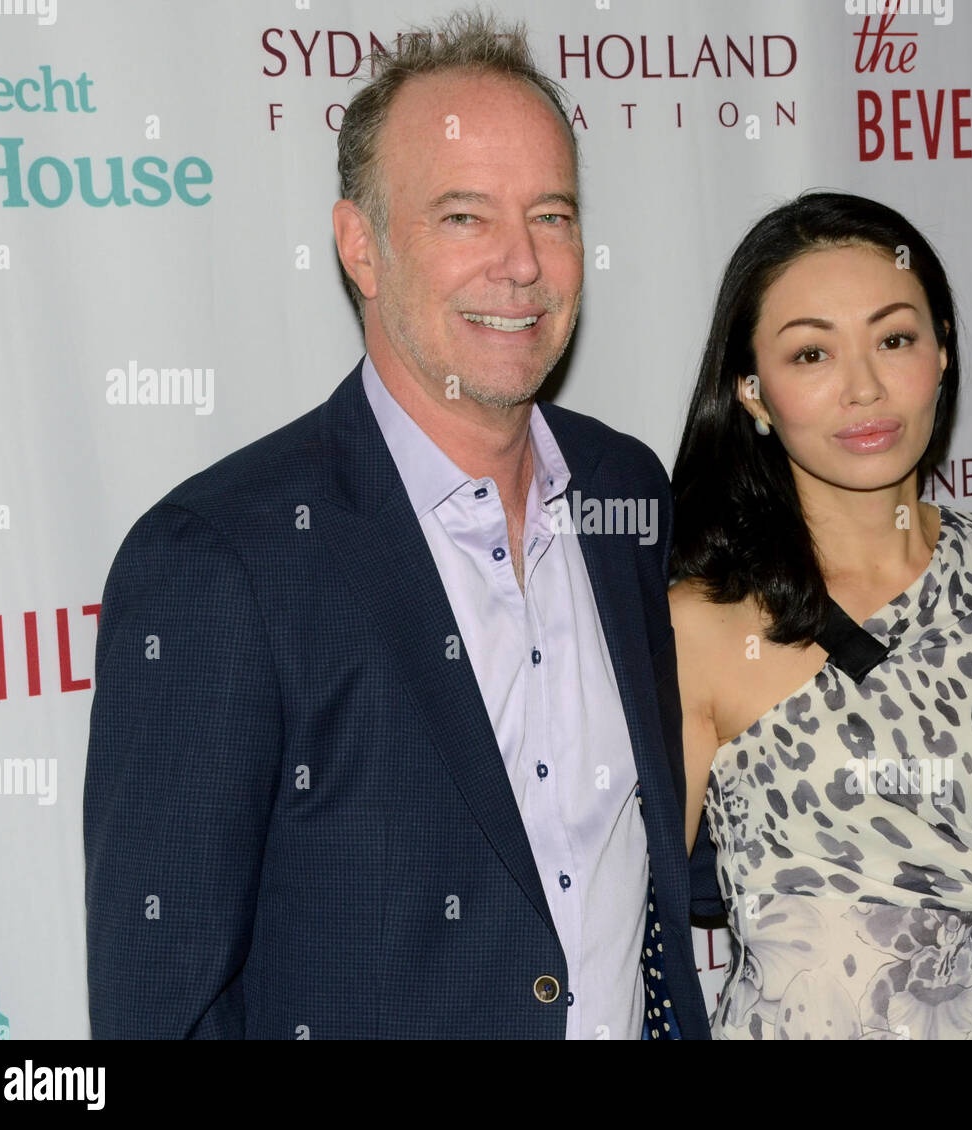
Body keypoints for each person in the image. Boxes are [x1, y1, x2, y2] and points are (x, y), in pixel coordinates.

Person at [83, 9, 706, 1040]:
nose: (521, 263)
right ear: (360, 246)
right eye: (464, 217)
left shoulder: (621, 491)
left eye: (551, 215)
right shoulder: (217, 562)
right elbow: (164, 1009)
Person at [670, 192, 972, 1039]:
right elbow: (641, 927)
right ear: (753, 393)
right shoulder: (701, 627)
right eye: (811, 353)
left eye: (895, 338)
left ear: (944, 352)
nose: (864, 387)